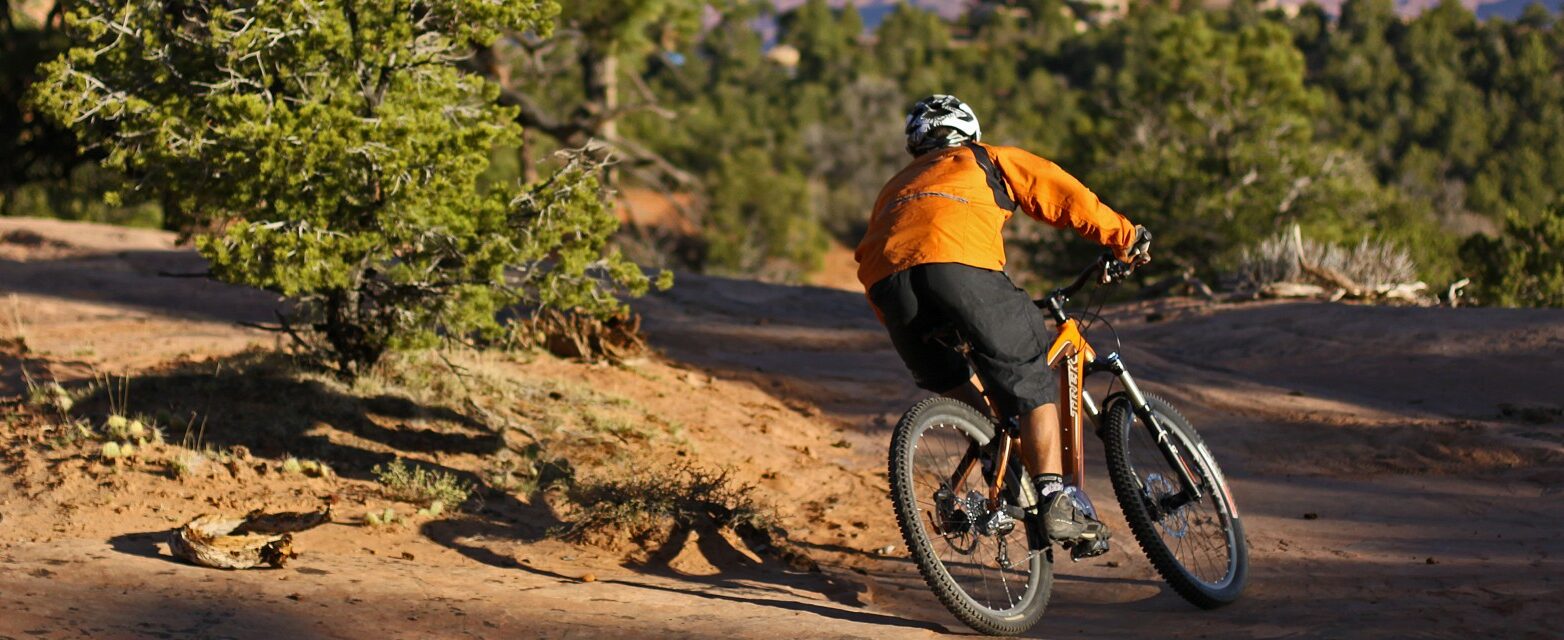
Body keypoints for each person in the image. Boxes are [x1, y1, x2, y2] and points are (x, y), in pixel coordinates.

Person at [856, 95, 1151, 544]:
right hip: (957, 268)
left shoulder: (893, 187)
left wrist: (900, 326)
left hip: (890, 291)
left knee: (956, 383)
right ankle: (1055, 498)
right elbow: (1063, 195)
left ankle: (997, 456)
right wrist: (1124, 237)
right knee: (1029, 373)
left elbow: (874, 257)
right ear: (969, 130)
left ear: (916, 146)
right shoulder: (985, 158)